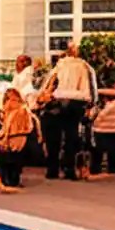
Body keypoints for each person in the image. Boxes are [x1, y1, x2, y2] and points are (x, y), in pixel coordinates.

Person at [38, 41, 96, 181]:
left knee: (53, 138)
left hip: (57, 101)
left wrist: (42, 98)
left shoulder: (59, 65)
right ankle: (69, 168)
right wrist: (91, 105)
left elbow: (47, 84)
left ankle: (52, 169)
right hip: (76, 103)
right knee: (72, 136)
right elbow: (91, 88)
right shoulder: (85, 67)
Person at [0, 88, 35, 193]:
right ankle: (5, 178)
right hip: (14, 140)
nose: (11, 101)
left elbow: (14, 130)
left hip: (18, 141)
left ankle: (6, 178)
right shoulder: (9, 113)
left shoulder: (21, 111)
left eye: (14, 98)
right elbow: (4, 130)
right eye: (8, 98)